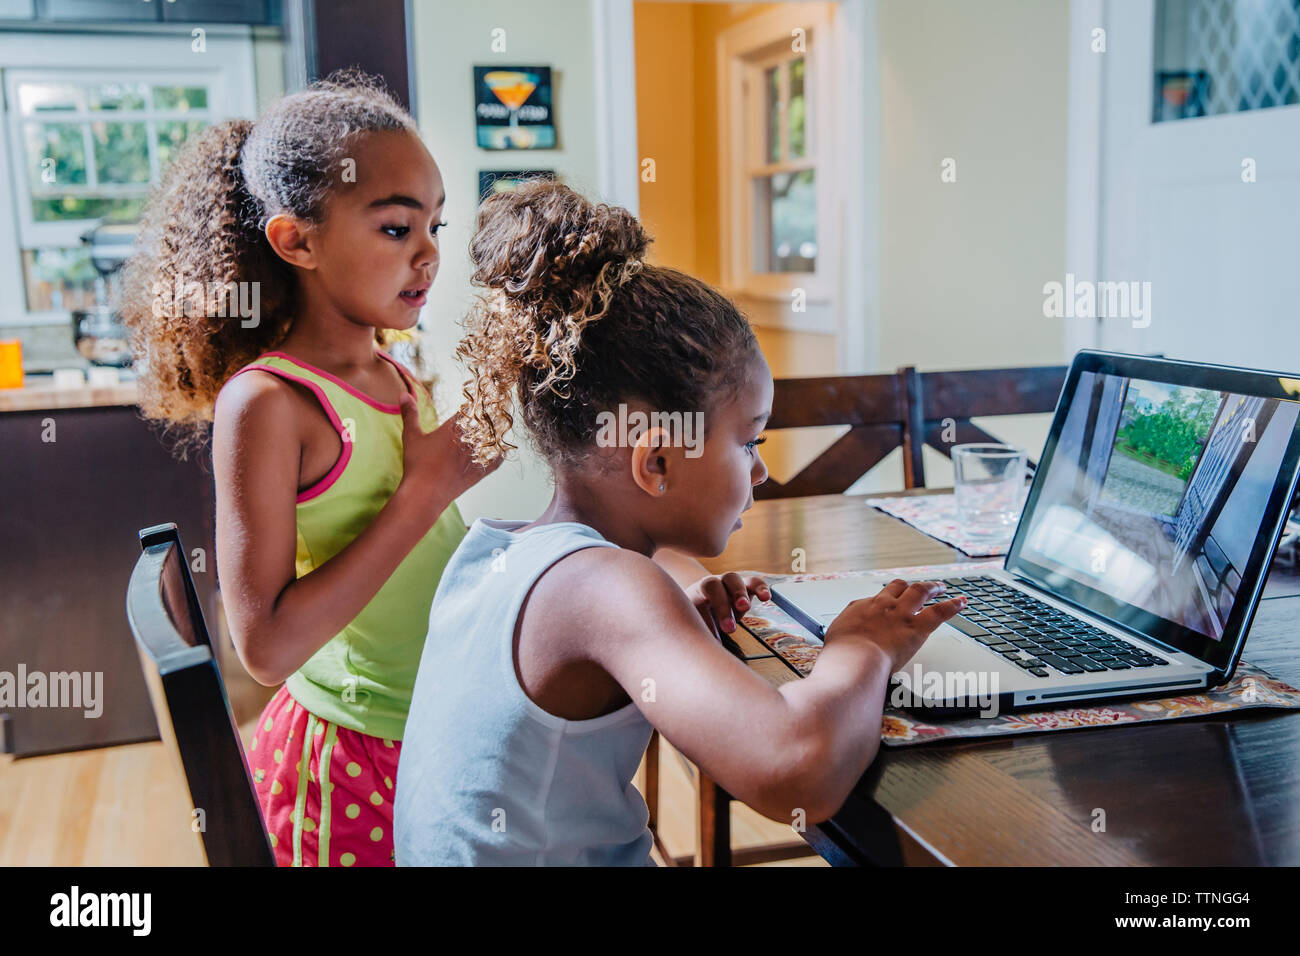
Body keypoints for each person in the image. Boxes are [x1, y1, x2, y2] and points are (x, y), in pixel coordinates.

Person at [394, 181, 964, 865]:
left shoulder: (496, 552)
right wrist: (863, 646)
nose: (759, 471)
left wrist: (673, 617)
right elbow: (796, 774)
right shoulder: (606, 588)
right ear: (657, 461)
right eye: (749, 441)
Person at [120, 72, 497, 866]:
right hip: (352, 764)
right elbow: (263, 647)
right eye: (397, 228)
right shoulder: (268, 402)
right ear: (298, 241)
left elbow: (423, 553)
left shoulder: (398, 372)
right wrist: (429, 489)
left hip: (431, 723)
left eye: (436, 224)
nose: (429, 253)